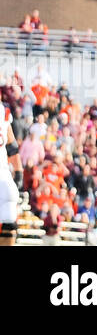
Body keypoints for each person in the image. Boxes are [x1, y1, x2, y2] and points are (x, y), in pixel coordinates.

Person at [0, 101, 18, 246]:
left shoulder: (4, 113)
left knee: (9, 220)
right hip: (3, 178)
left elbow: (12, 147)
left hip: (3, 175)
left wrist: (18, 172)